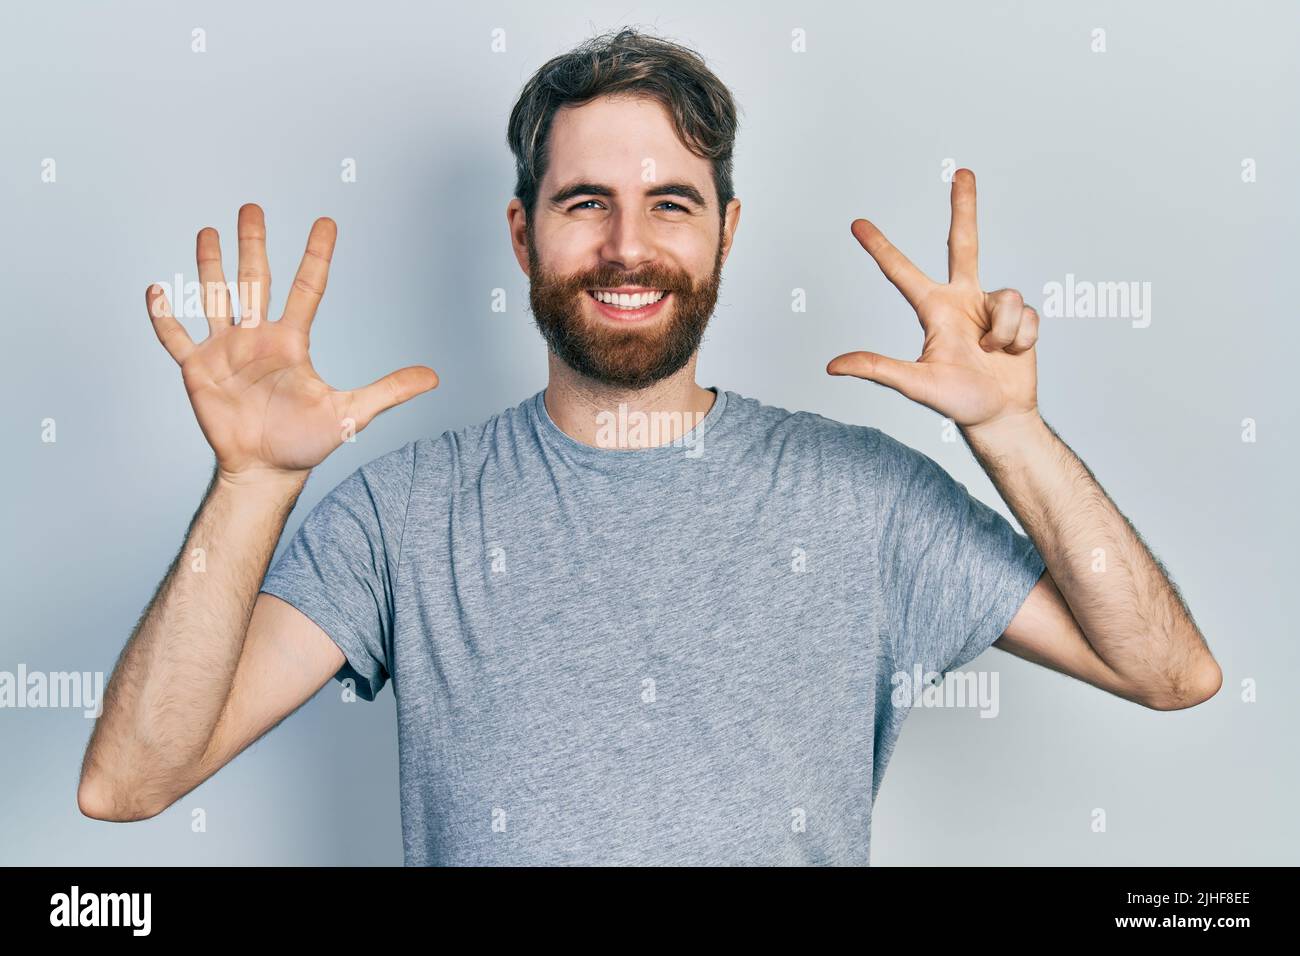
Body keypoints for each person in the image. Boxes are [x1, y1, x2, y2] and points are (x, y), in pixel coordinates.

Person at [78, 28, 1221, 865]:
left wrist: (1009, 431)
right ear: (523, 234)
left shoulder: (861, 497)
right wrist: (251, 484)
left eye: (671, 203)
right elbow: (130, 780)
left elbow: (1166, 671)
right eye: (585, 203)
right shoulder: (402, 515)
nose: (629, 248)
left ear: (727, 231)